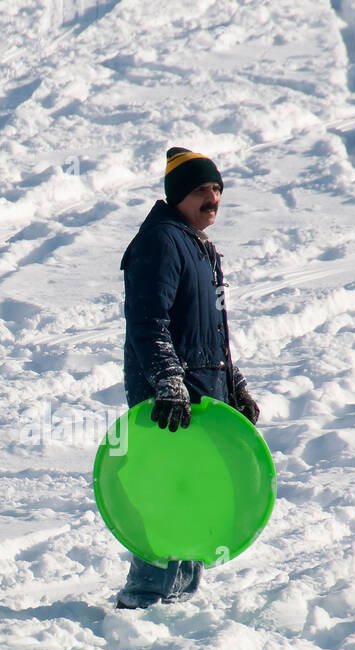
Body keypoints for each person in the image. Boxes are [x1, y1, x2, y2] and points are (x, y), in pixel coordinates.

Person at [115, 147, 259, 609]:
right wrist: (168, 383)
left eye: (217, 189)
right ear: (178, 195)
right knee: (164, 501)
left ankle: (174, 607)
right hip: (171, 407)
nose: (212, 198)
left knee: (195, 500)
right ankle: (142, 604)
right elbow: (148, 320)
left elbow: (211, 335)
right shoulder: (161, 242)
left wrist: (233, 385)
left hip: (202, 400)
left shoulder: (199, 248)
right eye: (201, 190)